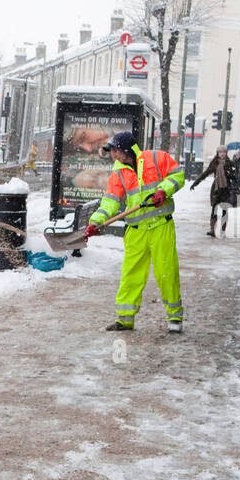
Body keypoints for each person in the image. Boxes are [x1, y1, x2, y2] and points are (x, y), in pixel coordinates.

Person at [82, 131, 186, 333]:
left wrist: (163, 190)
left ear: (125, 150)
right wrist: (96, 221)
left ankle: (175, 317)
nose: (112, 155)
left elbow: (177, 175)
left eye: (114, 150)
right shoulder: (118, 173)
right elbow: (110, 201)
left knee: (167, 273)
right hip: (136, 231)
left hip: (161, 227)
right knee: (131, 275)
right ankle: (125, 319)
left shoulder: (156, 158)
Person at [190, 146, 240, 237]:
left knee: (225, 210)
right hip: (216, 189)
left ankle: (222, 230)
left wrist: (232, 170)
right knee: (214, 209)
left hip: (226, 189)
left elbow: (235, 176)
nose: (222, 154)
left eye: (224, 152)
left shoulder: (230, 163)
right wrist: (195, 183)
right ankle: (212, 229)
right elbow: (205, 173)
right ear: (217, 153)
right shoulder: (215, 163)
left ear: (226, 153)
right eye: (220, 152)